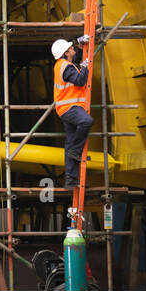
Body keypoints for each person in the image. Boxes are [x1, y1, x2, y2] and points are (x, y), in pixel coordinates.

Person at [51, 35, 93, 194]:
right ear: (65, 53)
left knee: (69, 141)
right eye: (71, 48)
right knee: (86, 122)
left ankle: (71, 178)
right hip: (70, 107)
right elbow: (81, 81)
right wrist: (86, 66)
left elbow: (76, 78)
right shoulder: (66, 67)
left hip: (67, 107)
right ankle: (75, 152)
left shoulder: (63, 65)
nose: (73, 49)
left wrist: (83, 57)